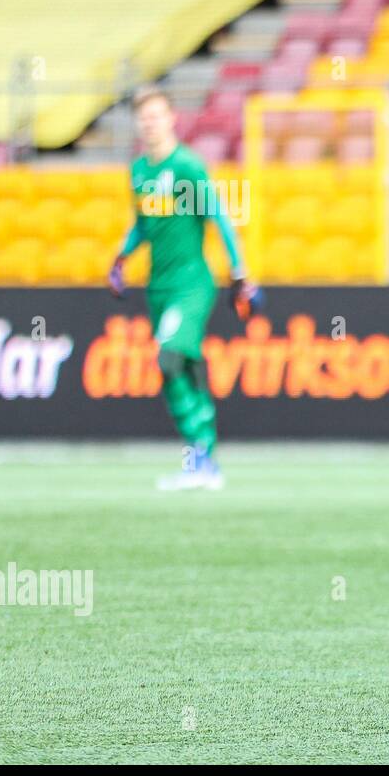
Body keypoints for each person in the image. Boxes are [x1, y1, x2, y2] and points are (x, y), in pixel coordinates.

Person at [108, 86, 258, 490]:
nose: (149, 123)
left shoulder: (187, 167)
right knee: (186, 370)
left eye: (156, 116)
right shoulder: (139, 171)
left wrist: (239, 268)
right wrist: (122, 256)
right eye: (143, 118)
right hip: (157, 286)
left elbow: (218, 216)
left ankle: (200, 459)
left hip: (192, 284)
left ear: (172, 118)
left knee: (168, 358)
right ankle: (203, 461)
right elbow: (143, 223)